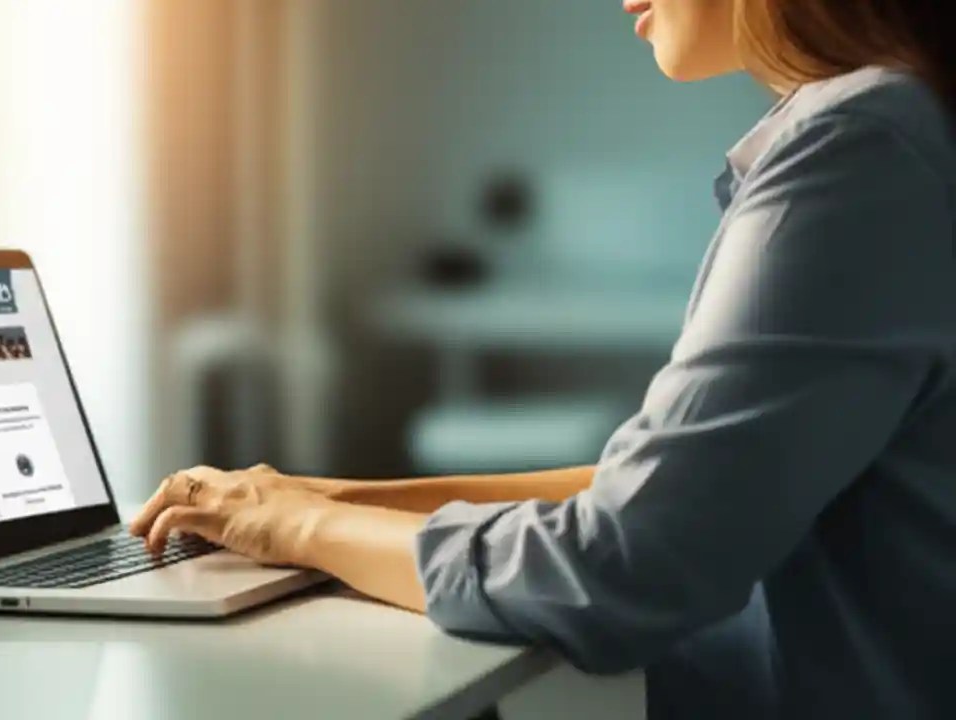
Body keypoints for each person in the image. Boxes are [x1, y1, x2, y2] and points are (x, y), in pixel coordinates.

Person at [132, 1, 956, 716]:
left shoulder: (863, 146)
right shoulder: (898, 129)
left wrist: (305, 527)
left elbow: (626, 562)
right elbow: (678, 490)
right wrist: (334, 499)